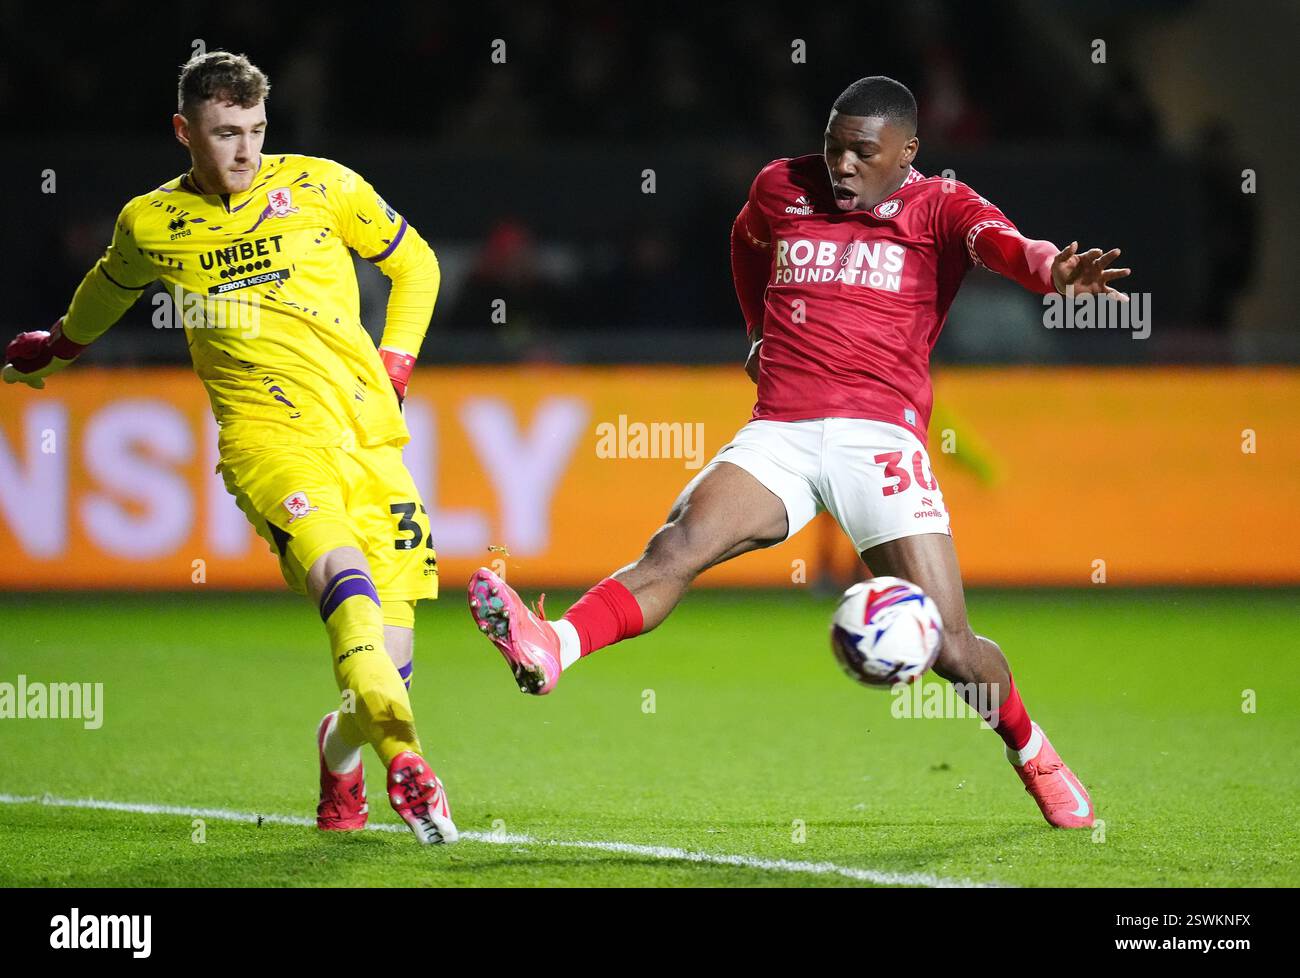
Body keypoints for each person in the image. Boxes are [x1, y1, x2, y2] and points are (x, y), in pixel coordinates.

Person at [467, 76, 1131, 830]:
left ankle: (1031, 749)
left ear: (907, 152)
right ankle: (554, 646)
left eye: (863, 153)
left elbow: (1010, 249)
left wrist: (1054, 272)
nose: (842, 165)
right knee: (676, 546)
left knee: (949, 646)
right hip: (781, 428)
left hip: (879, 438)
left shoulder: (942, 207)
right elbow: (746, 243)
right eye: (833, 147)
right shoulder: (781, 187)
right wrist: (756, 332)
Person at [2, 51, 456, 844]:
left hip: (371, 439)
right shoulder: (150, 222)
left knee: (388, 668)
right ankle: (409, 765)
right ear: (184, 131)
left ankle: (342, 753)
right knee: (343, 590)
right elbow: (111, 285)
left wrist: (397, 361)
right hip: (269, 439)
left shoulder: (323, 185)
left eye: (253, 131)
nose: (243, 150)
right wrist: (63, 344)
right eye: (223, 133)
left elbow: (416, 264)